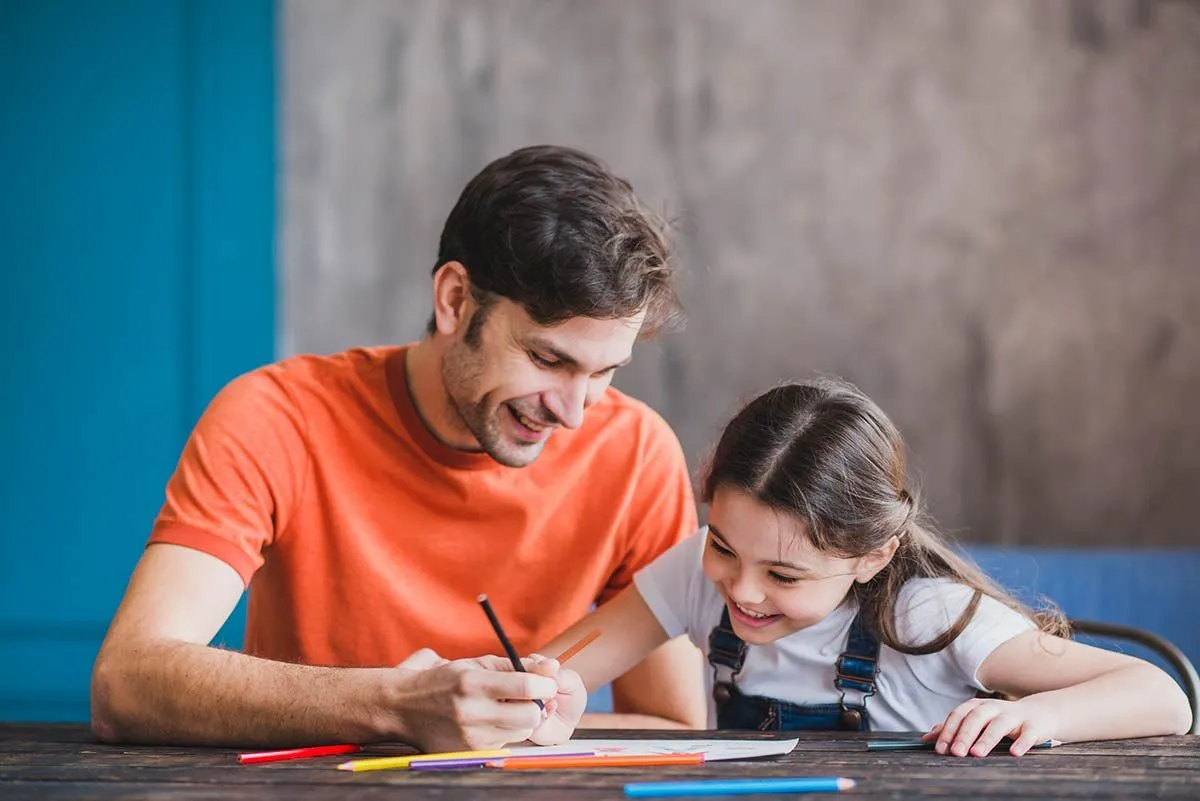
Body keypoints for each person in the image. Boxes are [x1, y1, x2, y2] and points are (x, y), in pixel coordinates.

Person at [90, 145, 706, 751]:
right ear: (455, 301)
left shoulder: (637, 452)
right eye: (548, 358)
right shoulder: (277, 417)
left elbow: (675, 728)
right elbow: (128, 681)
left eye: (605, 373)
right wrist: (396, 707)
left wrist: (495, 728)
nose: (574, 413)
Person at [543, 377, 1193, 755]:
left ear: (871, 554)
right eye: (723, 546)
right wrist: (542, 698)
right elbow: (544, 678)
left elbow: (1164, 697)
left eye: (784, 575)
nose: (741, 589)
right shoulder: (696, 568)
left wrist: (1042, 716)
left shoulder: (927, 614)